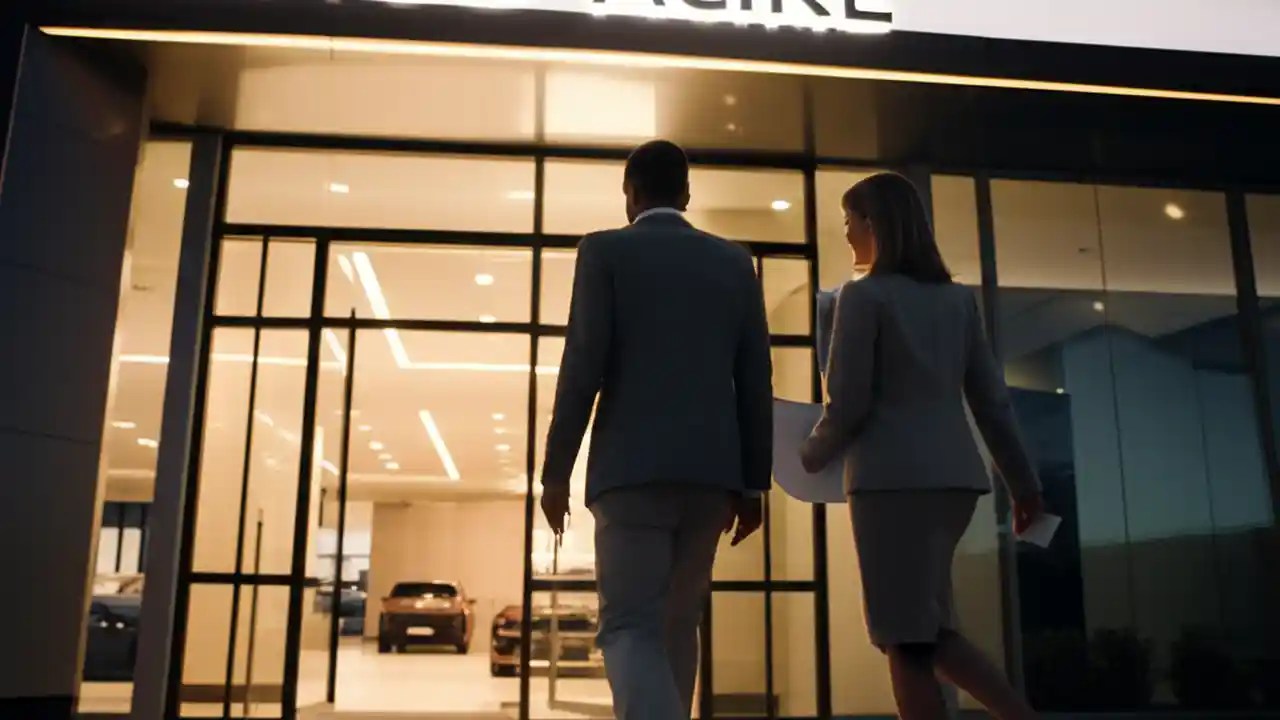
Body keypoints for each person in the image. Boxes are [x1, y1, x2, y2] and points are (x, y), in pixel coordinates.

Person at [540, 140, 773, 720]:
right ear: (687, 195)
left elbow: (582, 369)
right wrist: (753, 484)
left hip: (630, 475)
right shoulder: (733, 262)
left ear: (630, 193)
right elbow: (754, 378)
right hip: (712, 479)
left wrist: (555, 473)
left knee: (627, 628)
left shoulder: (603, 253)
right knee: (678, 623)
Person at [801, 172, 1044, 720]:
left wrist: (806, 454)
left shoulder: (862, 298)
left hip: (889, 484)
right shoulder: (957, 302)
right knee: (927, 628)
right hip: (954, 482)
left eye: (849, 222)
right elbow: (991, 402)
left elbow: (848, 405)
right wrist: (1024, 485)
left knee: (902, 636)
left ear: (874, 224)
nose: (846, 234)